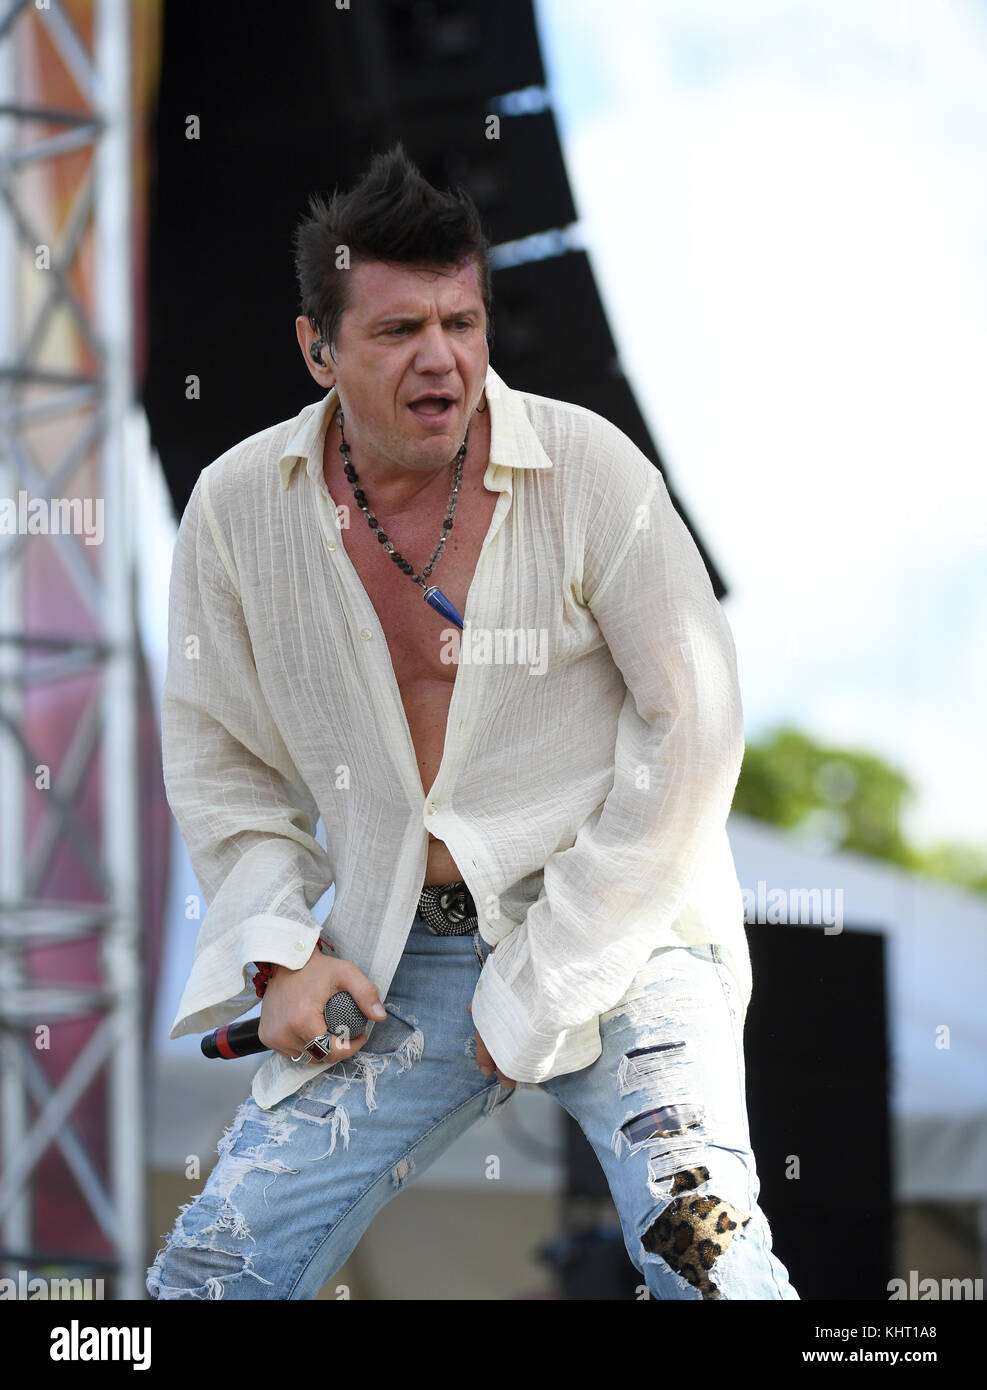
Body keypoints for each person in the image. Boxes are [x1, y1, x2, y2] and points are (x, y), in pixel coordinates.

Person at [146, 145, 799, 1301]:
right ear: (317, 349)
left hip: (623, 926)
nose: (441, 356)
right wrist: (280, 948)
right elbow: (224, 767)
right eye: (398, 330)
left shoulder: (592, 468)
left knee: (713, 1259)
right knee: (209, 1275)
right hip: (404, 950)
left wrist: (549, 978)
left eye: (462, 320)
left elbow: (695, 727)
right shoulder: (236, 511)